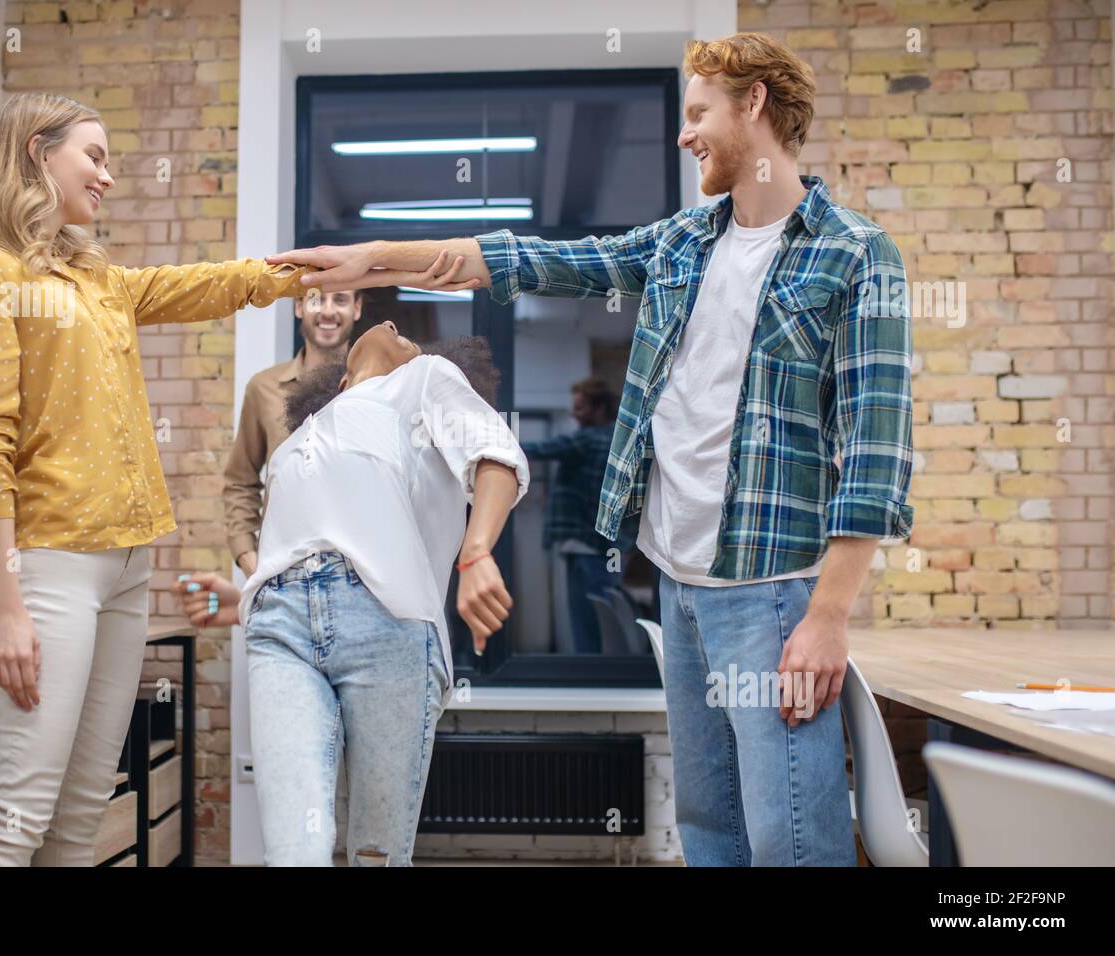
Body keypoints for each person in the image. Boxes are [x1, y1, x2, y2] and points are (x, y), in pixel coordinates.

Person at [265, 32, 915, 866]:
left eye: (698, 113)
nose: (685, 135)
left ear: (754, 104)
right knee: (710, 834)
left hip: (773, 593)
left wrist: (829, 614)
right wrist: (376, 259)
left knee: (792, 840)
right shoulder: (684, 244)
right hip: (678, 587)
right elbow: (534, 261)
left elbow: (877, 451)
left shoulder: (855, 255)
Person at [0, 91, 317, 865]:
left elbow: (200, 286)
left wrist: (298, 272)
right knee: (16, 816)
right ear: (38, 154)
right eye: (96, 156)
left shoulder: (96, 277)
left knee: (81, 814)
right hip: (52, 565)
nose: (108, 177)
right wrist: (6, 609)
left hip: (127, 564)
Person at [174, 321, 529, 866]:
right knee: (297, 851)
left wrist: (477, 552)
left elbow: (495, 456)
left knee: (377, 856)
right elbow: (298, 539)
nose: (391, 325)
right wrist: (243, 595)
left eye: (406, 336)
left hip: (388, 624)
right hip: (278, 628)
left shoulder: (423, 380)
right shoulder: (304, 431)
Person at [223, 288, 362, 578]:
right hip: (283, 573)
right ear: (298, 307)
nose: (327, 310)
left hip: (360, 573)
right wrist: (250, 560)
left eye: (340, 299)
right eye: (315, 299)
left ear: (356, 308)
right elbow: (240, 481)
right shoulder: (263, 388)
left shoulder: (377, 387)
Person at [522, 377, 621, 653]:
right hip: (598, 545)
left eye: (580, 408)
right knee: (599, 618)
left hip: (588, 544)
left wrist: (493, 445)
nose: (574, 414)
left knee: (588, 621)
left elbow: (541, 449)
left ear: (599, 408)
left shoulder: (590, 439)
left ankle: (594, 675)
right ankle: (598, 673)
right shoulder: (612, 439)